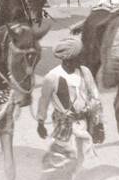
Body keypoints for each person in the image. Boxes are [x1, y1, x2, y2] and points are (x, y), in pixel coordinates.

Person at [35, 35, 105, 165]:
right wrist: (41, 122)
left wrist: (99, 123)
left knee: (81, 157)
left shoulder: (85, 72)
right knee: (65, 158)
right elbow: (43, 101)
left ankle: (75, 179)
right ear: (67, 59)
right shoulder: (52, 77)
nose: (82, 59)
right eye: (79, 56)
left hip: (84, 122)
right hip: (64, 125)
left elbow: (95, 97)